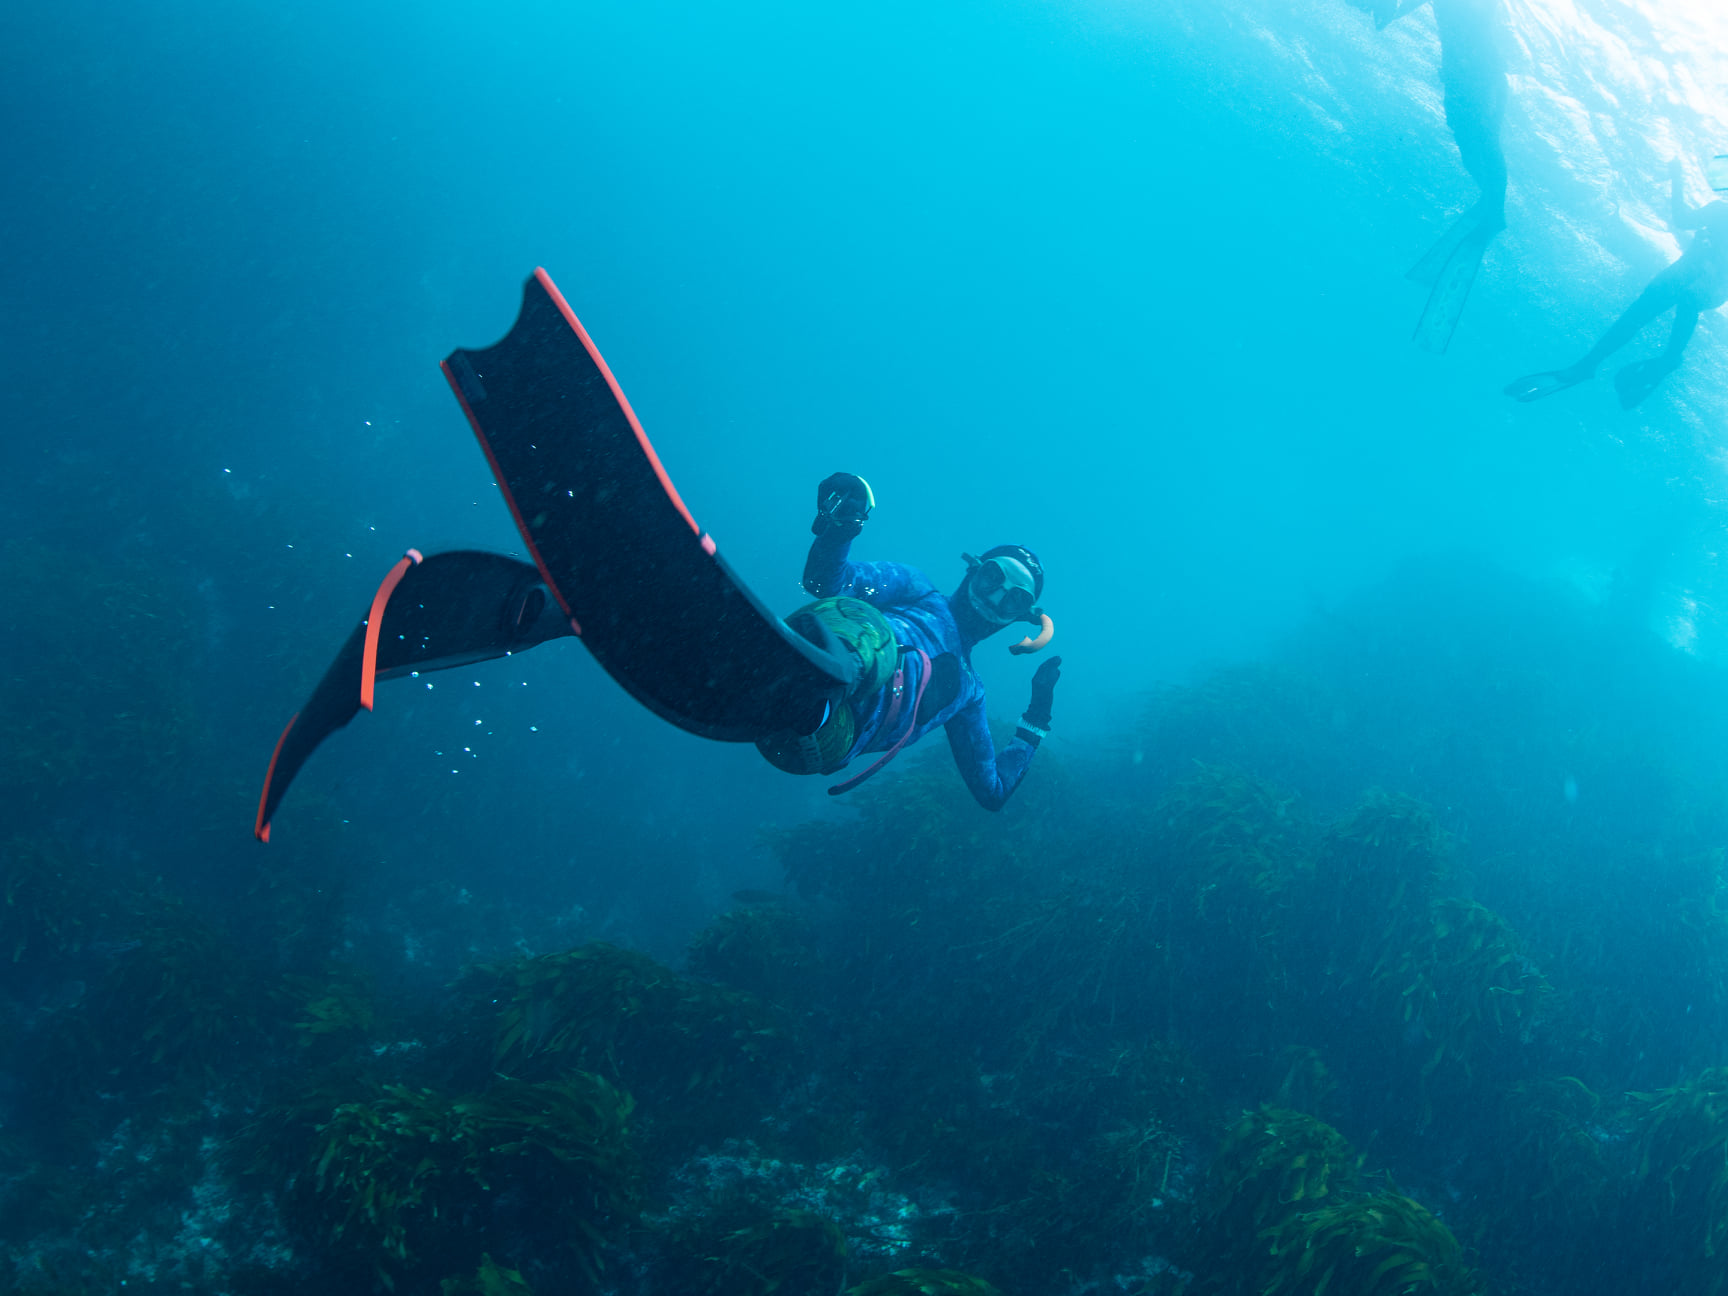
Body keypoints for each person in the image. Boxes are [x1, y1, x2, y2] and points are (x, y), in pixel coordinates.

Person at [753, 472, 1062, 810]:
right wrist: (842, 526)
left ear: (1019, 616)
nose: (995, 597)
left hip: (822, 738)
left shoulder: (970, 693)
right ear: (973, 569)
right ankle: (798, 678)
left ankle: (808, 688)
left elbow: (993, 792)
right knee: (863, 621)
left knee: (893, 645)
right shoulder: (915, 587)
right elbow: (825, 584)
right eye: (993, 577)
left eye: (1014, 600)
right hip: (796, 702)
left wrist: (1038, 710)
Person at [1506, 158, 1728, 408]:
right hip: (1698, 280)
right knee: (1661, 308)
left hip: (1698, 279)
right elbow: (1684, 222)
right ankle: (1613, 362)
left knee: (1662, 308)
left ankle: (1637, 360)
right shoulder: (1720, 211)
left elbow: (1682, 220)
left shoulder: (1720, 210)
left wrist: (1677, 177)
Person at [1356, 0, 1511, 352]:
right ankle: (1490, 201)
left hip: (1479, 76)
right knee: (1467, 139)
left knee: (1482, 139)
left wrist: (1386, 9)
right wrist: (1388, 11)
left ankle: (1494, 209)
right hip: (1467, 78)